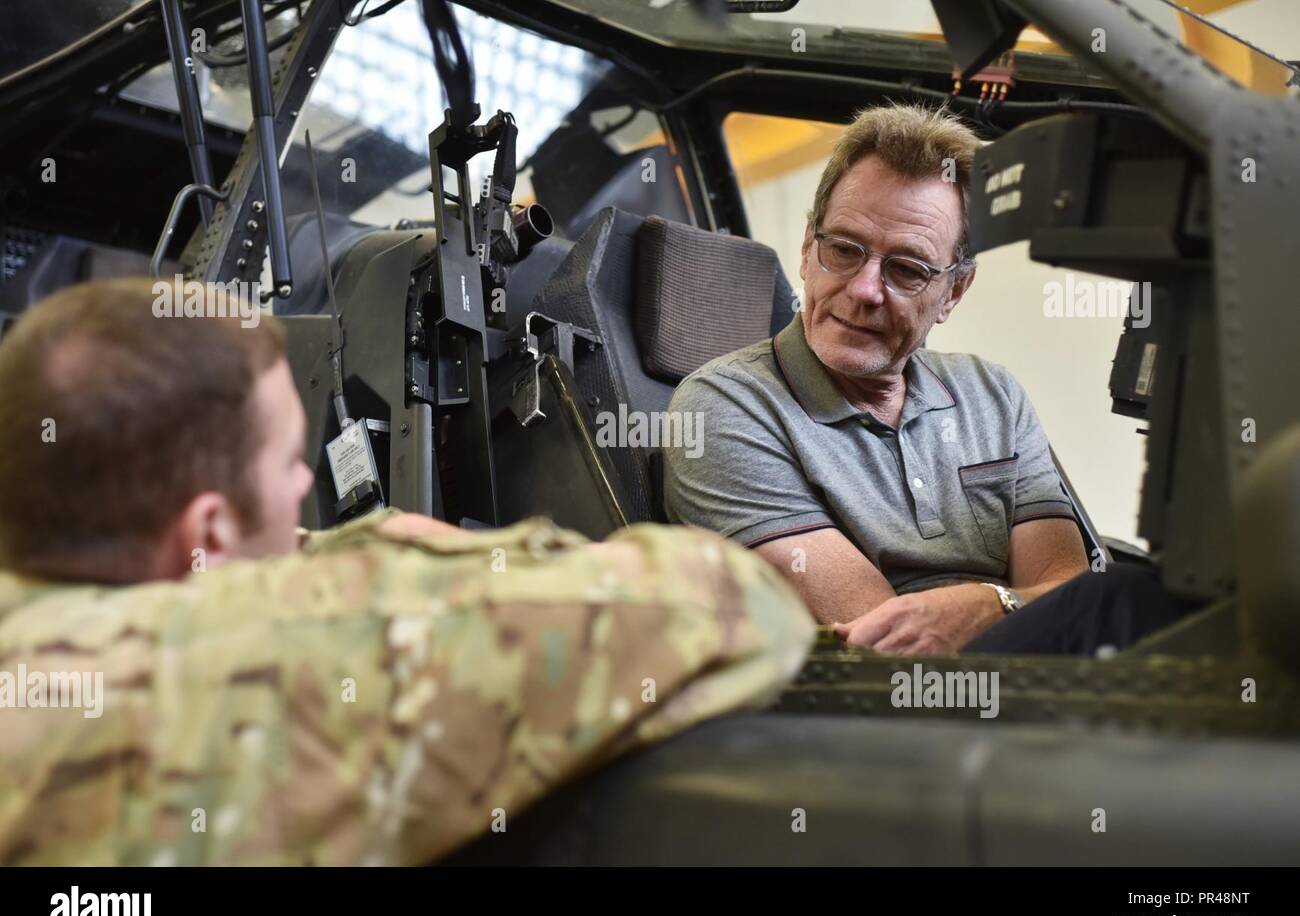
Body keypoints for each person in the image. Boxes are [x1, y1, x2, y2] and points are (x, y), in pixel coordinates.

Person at [0, 277, 814, 866]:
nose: (302, 488)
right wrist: (401, 551)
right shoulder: (236, 665)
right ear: (206, 532)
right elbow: (735, 601)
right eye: (289, 463)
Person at [665, 103, 1197, 656]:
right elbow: (888, 636)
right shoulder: (724, 408)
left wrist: (993, 605)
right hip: (895, 711)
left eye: (907, 269)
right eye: (844, 250)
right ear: (806, 249)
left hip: (1041, 675)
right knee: (1134, 602)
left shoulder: (993, 395)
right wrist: (1015, 599)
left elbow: (1064, 585)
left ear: (954, 292)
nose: (866, 289)